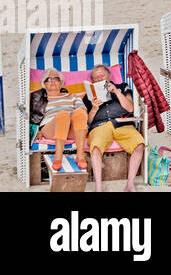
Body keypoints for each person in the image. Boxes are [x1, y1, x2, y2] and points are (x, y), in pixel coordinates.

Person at [84, 64, 145, 192]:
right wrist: (94, 108)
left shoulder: (122, 87)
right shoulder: (88, 96)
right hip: (100, 126)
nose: (99, 79)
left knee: (139, 144)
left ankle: (130, 184)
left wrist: (116, 92)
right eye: (96, 78)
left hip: (123, 123)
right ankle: (99, 188)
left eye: (102, 76)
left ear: (109, 76)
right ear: (92, 81)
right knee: (95, 147)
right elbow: (88, 121)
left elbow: (131, 108)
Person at [32, 69, 89, 173]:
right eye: (48, 79)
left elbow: (83, 113)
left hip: (71, 128)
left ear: (61, 82)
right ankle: (58, 157)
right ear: (44, 83)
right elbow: (31, 118)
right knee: (63, 114)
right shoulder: (38, 99)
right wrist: (36, 130)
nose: (52, 81)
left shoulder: (73, 97)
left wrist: (70, 116)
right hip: (50, 129)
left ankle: (80, 155)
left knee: (80, 112)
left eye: (56, 78)